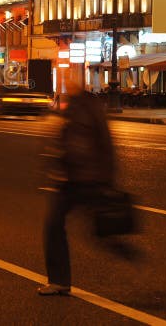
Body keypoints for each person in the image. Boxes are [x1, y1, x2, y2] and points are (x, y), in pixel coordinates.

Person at [38, 69, 118, 296]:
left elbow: (105, 142)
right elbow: (65, 140)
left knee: (98, 229)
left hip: (87, 178)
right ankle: (59, 281)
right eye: (66, 80)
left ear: (81, 83)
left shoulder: (90, 106)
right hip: (71, 178)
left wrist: (107, 178)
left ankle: (128, 254)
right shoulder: (72, 105)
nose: (67, 83)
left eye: (70, 79)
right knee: (54, 226)